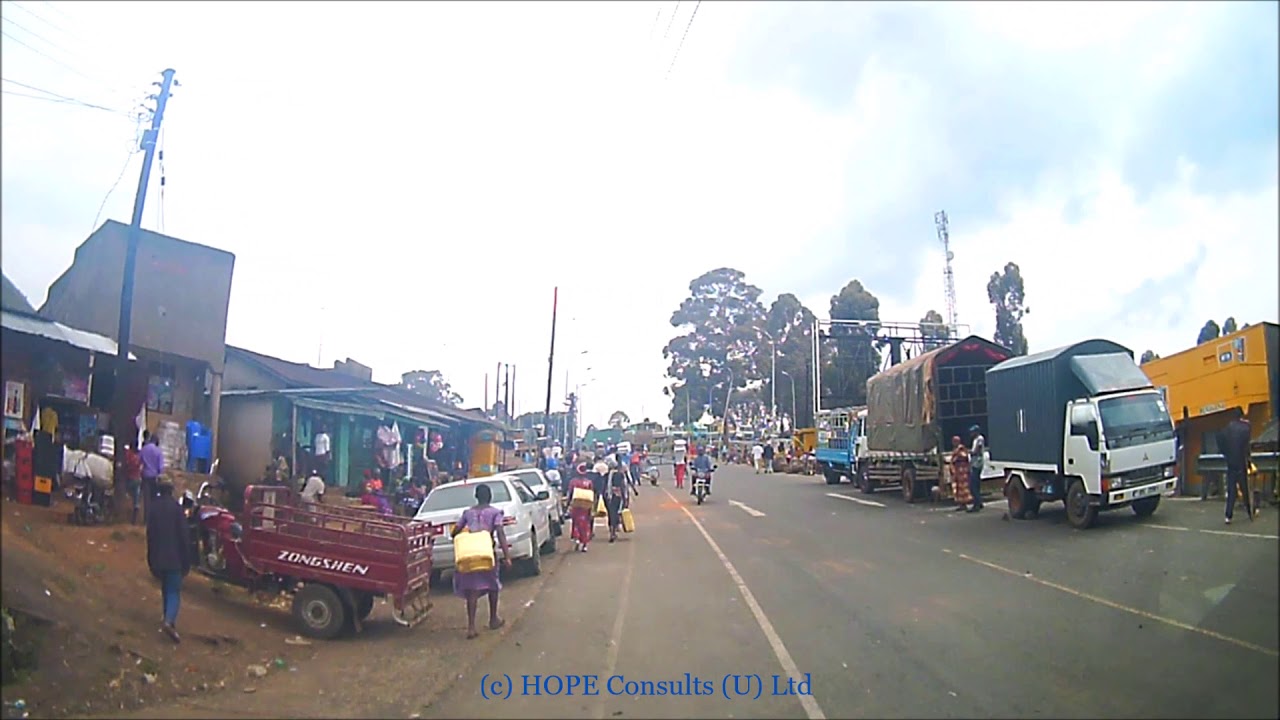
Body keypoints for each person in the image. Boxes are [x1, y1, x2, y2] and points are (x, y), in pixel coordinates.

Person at [450, 483, 513, 639]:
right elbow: (500, 532)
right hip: (487, 552)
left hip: (470, 553)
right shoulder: (495, 513)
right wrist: (507, 556)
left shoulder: (468, 513)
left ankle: (471, 627)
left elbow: (456, 531)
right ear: (490, 496)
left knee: (472, 589)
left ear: (476, 497)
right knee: (493, 585)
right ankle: (493, 619)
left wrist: (462, 534)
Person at [146, 477, 190, 644]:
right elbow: (184, 537)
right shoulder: (177, 509)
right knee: (173, 591)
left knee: (166, 589)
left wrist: (150, 558)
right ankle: (169, 620)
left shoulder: (153, 508)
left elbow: (150, 536)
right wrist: (187, 560)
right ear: (171, 490)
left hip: (158, 557)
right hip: (175, 558)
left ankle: (167, 619)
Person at [1215, 409, 1255, 524]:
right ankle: (1249, 511)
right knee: (1244, 488)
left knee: (1231, 490)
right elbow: (1246, 447)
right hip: (1241, 461)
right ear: (1242, 415)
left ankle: (1228, 515)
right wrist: (1249, 462)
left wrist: (1225, 453)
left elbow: (1219, 437)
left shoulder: (1227, 429)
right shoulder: (1246, 428)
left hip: (1230, 462)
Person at [567, 469, 596, 552]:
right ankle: (584, 544)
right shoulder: (589, 482)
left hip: (576, 506)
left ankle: (577, 539)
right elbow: (592, 495)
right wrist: (592, 507)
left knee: (576, 523)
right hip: (586, 507)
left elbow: (570, 494)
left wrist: (568, 504)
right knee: (585, 525)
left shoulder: (573, 482)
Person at [139, 431, 165, 523]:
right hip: (154, 478)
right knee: (154, 499)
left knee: (146, 500)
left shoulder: (144, 449)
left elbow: (139, 462)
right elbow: (161, 468)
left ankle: (146, 519)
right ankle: (152, 519)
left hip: (145, 477)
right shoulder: (158, 451)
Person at [605, 459, 630, 543]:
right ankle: (615, 529)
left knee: (611, 513)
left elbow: (608, 485)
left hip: (611, 496)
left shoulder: (609, 474)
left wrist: (609, 495)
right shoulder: (621, 474)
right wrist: (626, 497)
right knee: (618, 513)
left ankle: (612, 532)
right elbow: (624, 486)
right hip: (619, 496)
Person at [949, 435, 973, 511]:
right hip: (957, 471)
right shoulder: (956, 449)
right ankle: (961, 504)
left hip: (962, 471)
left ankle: (964, 503)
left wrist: (956, 457)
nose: (953, 443)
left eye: (954, 441)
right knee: (958, 488)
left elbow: (964, 457)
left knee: (963, 488)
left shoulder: (961, 449)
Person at [967, 425, 986, 513]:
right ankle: (979, 502)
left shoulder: (979, 439)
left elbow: (977, 449)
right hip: (975, 462)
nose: (971, 434)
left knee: (973, 484)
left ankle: (977, 504)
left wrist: (971, 452)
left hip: (977, 462)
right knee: (976, 484)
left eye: (972, 432)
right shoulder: (975, 439)